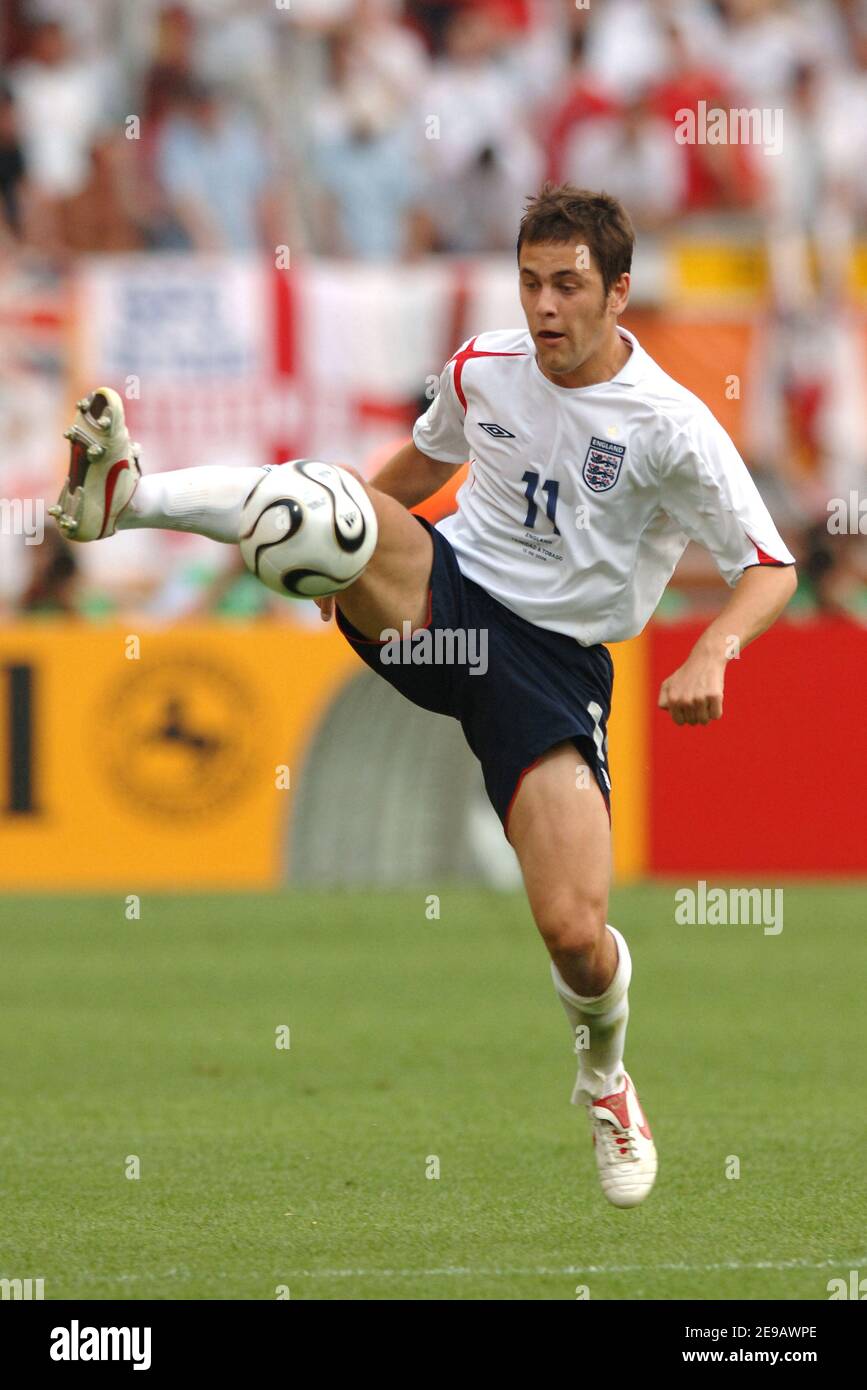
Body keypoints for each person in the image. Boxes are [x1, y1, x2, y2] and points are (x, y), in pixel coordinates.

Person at [49, 185, 797, 1208]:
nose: (544, 307)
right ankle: (129, 497)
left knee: (576, 931)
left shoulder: (672, 426)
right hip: (444, 598)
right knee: (335, 508)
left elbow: (770, 564)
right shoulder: (485, 366)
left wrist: (714, 647)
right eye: (531, 281)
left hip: (550, 667)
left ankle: (605, 1079)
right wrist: (338, 549)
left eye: (568, 286)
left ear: (619, 293)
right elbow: (412, 469)